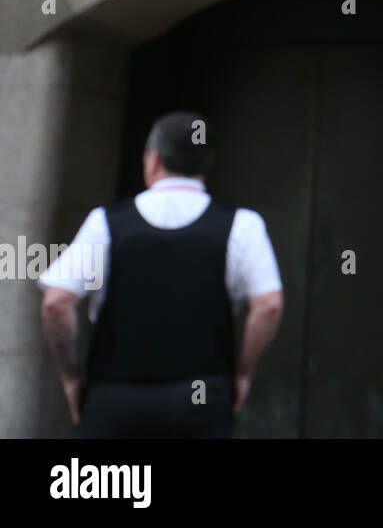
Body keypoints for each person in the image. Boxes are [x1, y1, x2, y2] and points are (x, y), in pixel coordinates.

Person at [39, 111, 284, 437]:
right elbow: (269, 305)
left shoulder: (106, 223)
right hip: (202, 402)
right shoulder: (243, 225)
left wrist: (71, 376)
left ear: (153, 159)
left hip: (114, 402)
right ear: (205, 163)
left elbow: (56, 303)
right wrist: (243, 372)